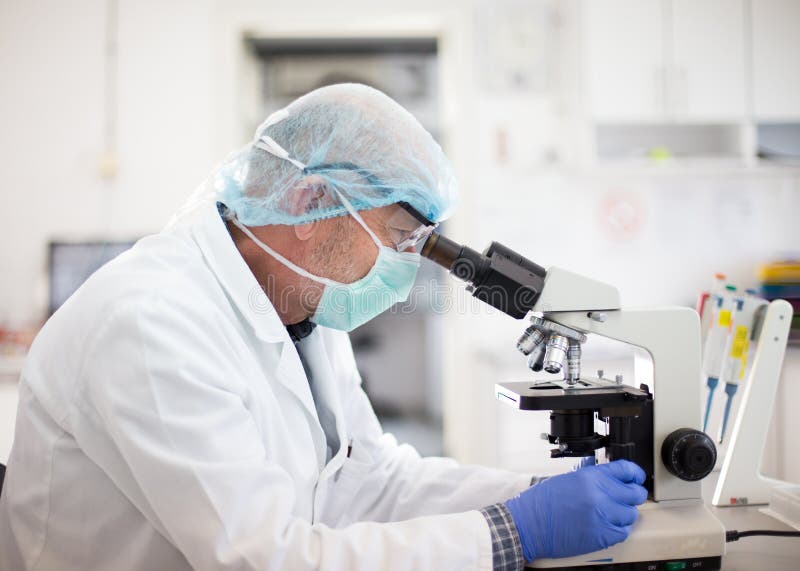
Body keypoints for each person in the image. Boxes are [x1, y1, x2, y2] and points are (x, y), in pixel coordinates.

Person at [0, 84, 647, 570]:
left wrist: (530, 491)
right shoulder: (149, 323)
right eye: (399, 238)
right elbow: (268, 557)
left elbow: (368, 481)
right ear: (311, 204)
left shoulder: (301, 303)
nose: (401, 266)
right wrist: (513, 531)